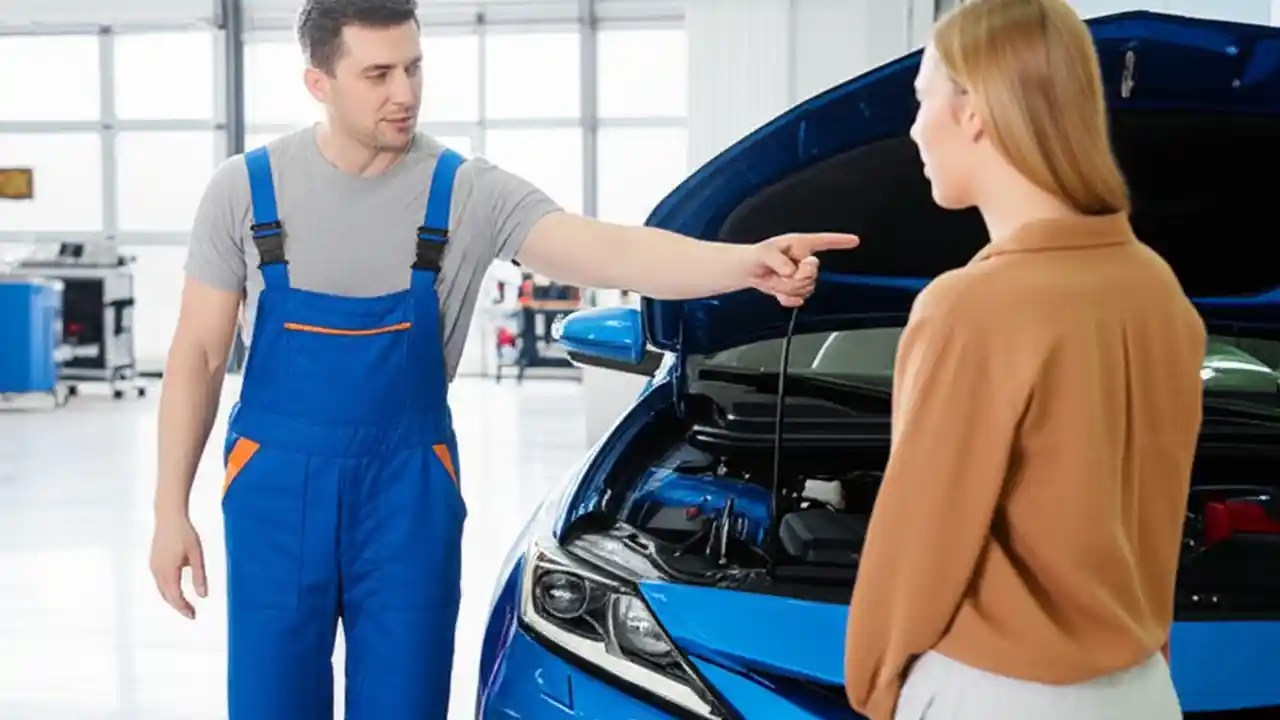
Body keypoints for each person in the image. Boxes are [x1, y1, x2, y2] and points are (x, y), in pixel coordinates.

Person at [147, 0, 857, 718]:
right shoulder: (243, 191)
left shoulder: (464, 192)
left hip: (406, 492)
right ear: (318, 83)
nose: (406, 92)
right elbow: (200, 355)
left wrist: (744, 263)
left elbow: (606, 247)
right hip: (275, 488)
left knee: (406, 703)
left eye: (414, 66)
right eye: (378, 74)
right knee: (271, 702)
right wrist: (168, 510)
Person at [842, 1, 1206, 719]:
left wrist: (877, 685)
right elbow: (1158, 517)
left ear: (974, 109)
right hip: (1141, 690)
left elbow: (921, 541)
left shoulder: (973, 307)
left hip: (996, 694)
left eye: (921, 100)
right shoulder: (1157, 288)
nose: (914, 128)